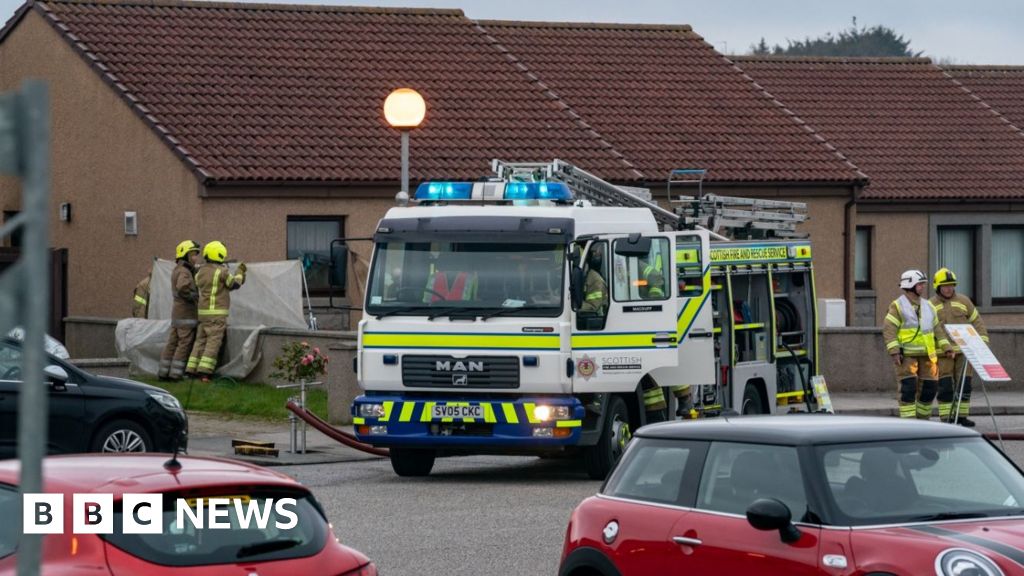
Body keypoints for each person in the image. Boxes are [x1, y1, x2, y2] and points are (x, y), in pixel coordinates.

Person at [882, 269, 953, 419]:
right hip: (906, 357)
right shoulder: (897, 306)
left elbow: (937, 329)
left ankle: (922, 420)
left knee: (930, 388)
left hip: (928, 356)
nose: (922, 287)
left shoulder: (928, 306)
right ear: (910, 285)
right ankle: (908, 422)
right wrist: (894, 351)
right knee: (908, 389)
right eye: (920, 284)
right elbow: (889, 328)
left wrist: (946, 347)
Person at [930, 267, 988, 427]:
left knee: (964, 385)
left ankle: (962, 416)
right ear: (938, 287)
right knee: (946, 386)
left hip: (964, 352)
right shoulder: (930, 305)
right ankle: (946, 418)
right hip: (943, 354)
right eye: (945, 286)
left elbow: (977, 321)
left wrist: (982, 342)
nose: (949, 288)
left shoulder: (964, 301)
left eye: (952, 285)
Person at [186, 241, 246, 381]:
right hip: (216, 314)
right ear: (219, 254)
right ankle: (204, 372)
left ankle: (190, 370)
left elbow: (219, 286)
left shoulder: (199, 272)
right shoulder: (221, 271)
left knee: (200, 342)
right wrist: (240, 272)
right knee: (213, 343)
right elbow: (234, 284)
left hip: (202, 314)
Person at [158, 240, 201, 380]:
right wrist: (194, 296)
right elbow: (183, 287)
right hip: (186, 315)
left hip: (177, 315)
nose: (195, 258)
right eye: (193, 254)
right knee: (184, 343)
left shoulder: (178, 269)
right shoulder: (184, 272)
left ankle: (164, 372)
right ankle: (176, 374)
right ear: (185, 255)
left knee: (172, 343)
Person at [580, 243, 608, 314]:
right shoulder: (586, 276)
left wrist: (573, 305)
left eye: (598, 254)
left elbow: (593, 306)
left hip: (595, 320)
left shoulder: (595, 280)